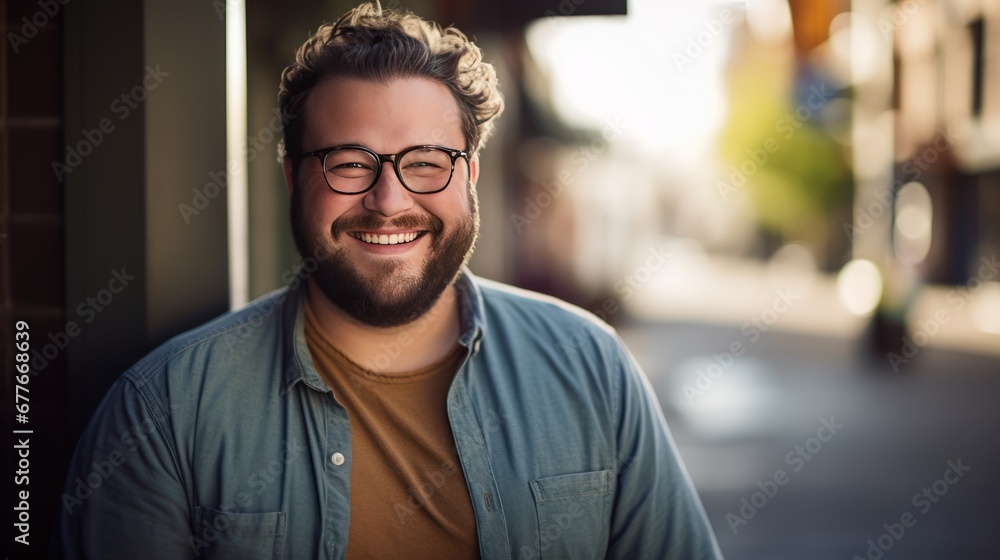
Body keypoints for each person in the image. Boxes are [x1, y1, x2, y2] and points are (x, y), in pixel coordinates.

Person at [54, 3, 723, 558]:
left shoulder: (591, 369)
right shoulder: (164, 412)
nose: (389, 200)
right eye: (349, 162)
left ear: (470, 177)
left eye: (427, 163)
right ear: (293, 177)